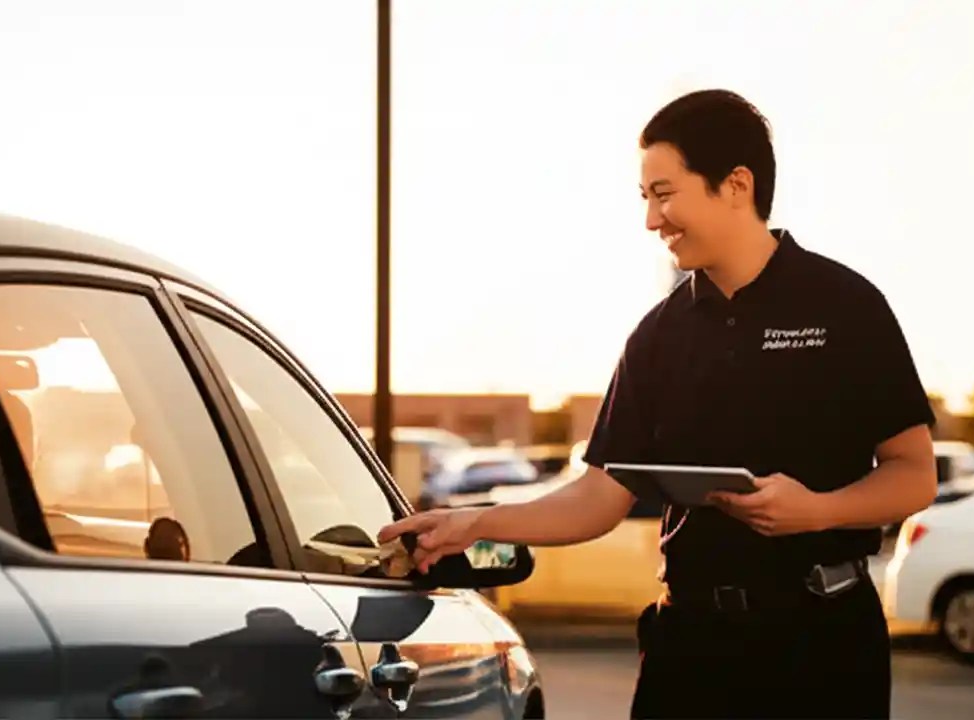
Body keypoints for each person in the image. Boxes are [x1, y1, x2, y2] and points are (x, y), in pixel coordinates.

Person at [378, 89, 938, 719]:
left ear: (737, 185)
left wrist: (817, 512)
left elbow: (914, 474)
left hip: (822, 649)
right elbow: (599, 497)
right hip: (690, 651)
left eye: (664, 194)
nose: (652, 219)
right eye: (645, 197)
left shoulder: (846, 306)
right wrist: (474, 524)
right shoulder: (658, 335)